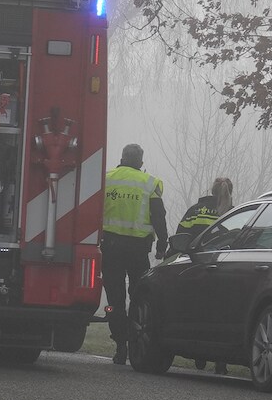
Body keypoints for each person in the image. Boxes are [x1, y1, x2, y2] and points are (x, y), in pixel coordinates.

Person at [101, 143, 168, 365]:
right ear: (140, 162)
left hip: (110, 247)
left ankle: (120, 343)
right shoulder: (150, 183)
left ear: (122, 158)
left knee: (114, 299)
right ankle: (135, 341)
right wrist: (162, 245)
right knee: (139, 296)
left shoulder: (107, 178)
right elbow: (158, 216)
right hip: (138, 249)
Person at [179, 177, 235, 375]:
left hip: (195, 268)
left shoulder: (195, 210)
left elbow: (181, 235)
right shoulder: (234, 212)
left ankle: (198, 352)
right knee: (220, 313)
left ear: (211, 191)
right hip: (224, 270)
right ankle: (221, 363)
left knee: (196, 309)